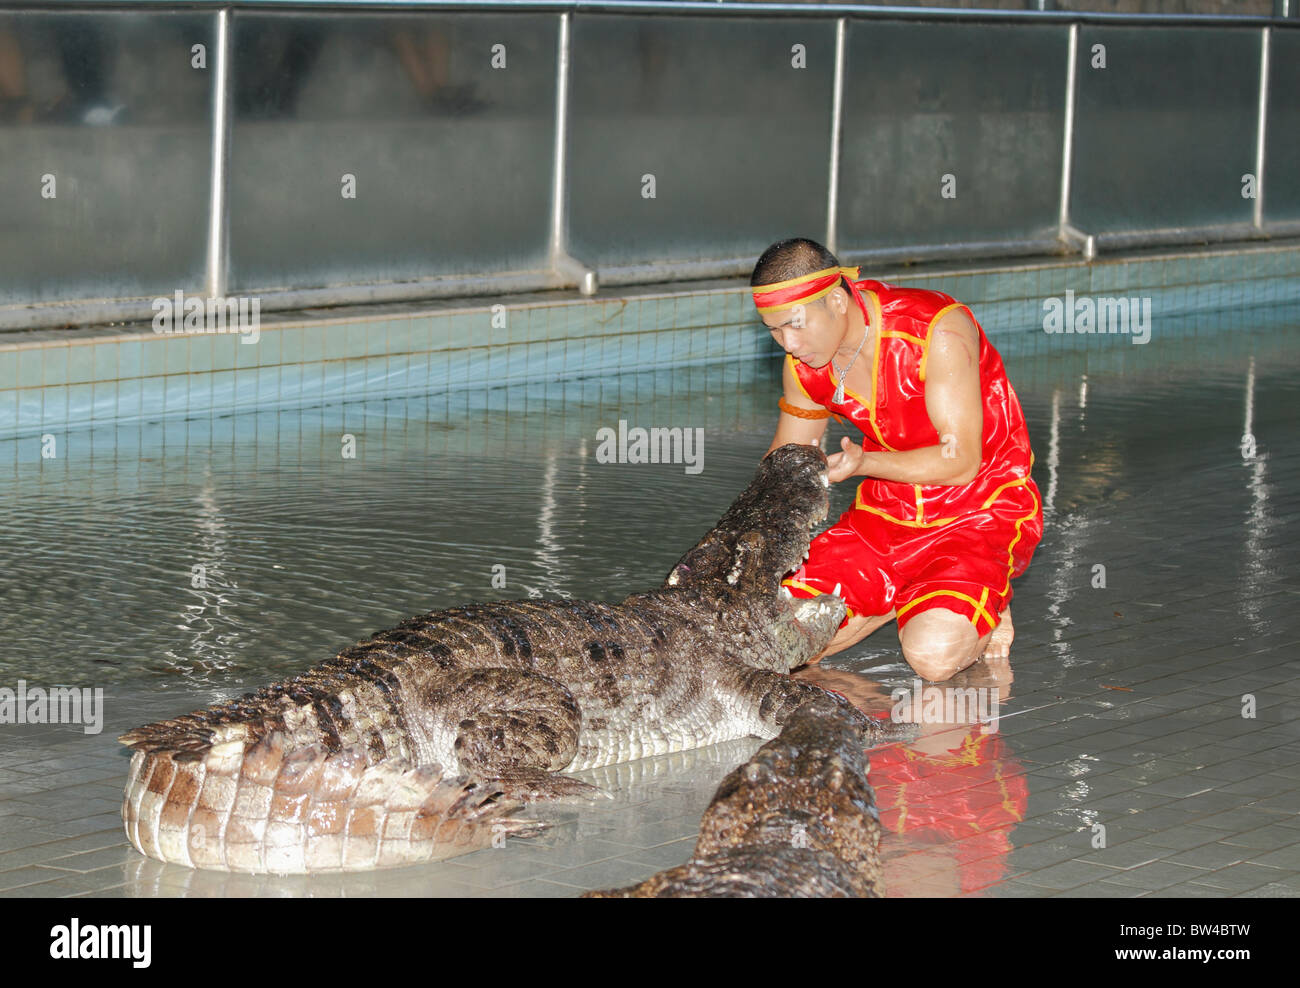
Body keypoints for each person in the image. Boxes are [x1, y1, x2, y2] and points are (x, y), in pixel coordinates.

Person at [754, 237, 1042, 682]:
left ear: (836, 300)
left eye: (794, 325)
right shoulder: (804, 364)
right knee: (772, 642)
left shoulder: (937, 331)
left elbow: (961, 461)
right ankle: (914, 593)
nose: (788, 344)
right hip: (884, 519)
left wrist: (865, 464)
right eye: (774, 330)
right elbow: (786, 463)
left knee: (933, 655)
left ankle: (978, 597)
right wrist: (745, 543)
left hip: (977, 510)